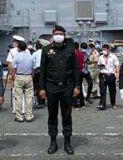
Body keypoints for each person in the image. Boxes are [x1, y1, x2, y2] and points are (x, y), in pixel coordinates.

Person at [37, 25, 80, 155]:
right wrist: (41, 88)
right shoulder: (46, 49)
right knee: (52, 115)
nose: (59, 35)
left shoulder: (71, 49)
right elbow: (42, 70)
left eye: (61, 33)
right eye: (56, 33)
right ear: (53, 34)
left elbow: (76, 68)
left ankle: (67, 142)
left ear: (64, 35)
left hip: (67, 86)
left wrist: (77, 86)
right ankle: (53, 142)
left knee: (67, 115)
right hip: (51, 86)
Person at [12, 39, 35, 122]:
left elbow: (14, 68)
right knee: (29, 98)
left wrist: (13, 77)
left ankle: (19, 116)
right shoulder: (31, 56)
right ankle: (29, 115)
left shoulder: (17, 56)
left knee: (18, 97)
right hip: (29, 76)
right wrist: (31, 77)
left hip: (19, 76)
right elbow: (33, 69)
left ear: (19, 48)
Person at [97, 43, 119, 110]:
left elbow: (117, 65)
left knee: (112, 91)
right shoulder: (101, 57)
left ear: (108, 50)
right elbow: (98, 65)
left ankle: (113, 104)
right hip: (103, 75)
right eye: (103, 50)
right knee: (102, 91)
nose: (104, 51)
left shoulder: (113, 56)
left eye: (105, 50)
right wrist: (100, 66)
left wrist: (117, 73)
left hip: (111, 75)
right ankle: (102, 105)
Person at [73, 42, 87, 109]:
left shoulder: (72, 54)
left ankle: (75, 104)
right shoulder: (81, 54)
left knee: (73, 88)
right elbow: (83, 62)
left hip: (73, 73)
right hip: (80, 72)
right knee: (80, 87)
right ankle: (82, 103)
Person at [32, 40, 45, 109]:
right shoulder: (44, 52)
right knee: (43, 86)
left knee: (37, 87)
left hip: (37, 71)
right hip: (44, 71)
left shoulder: (35, 53)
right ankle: (43, 100)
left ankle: (39, 102)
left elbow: (32, 63)